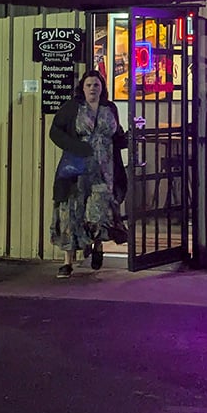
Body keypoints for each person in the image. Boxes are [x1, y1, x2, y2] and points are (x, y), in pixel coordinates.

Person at [50, 69, 128, 278]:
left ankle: (97, 246)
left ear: (102, 88)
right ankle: (68, 261)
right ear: (82, 88)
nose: (93, 88)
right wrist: (76, 146)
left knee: (97, 212)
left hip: (104, 171)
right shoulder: (72, 108)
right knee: (71, 213)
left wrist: (130, 138)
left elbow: (116, 136)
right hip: (77, 170)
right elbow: (55, 132)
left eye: (97, 85)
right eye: (89, 85)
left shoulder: (109, 108)